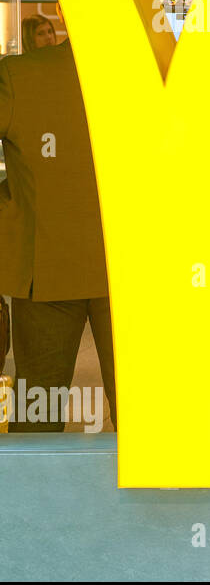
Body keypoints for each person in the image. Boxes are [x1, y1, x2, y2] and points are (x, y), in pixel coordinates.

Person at [0, 28, 118, 431]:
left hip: (45, 267)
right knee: (145, 416)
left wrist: (14, 199)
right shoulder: (156, 74)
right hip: (134, 273)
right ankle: (156, 494)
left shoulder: (20, 75)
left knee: (39, 415)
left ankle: (33, 494)